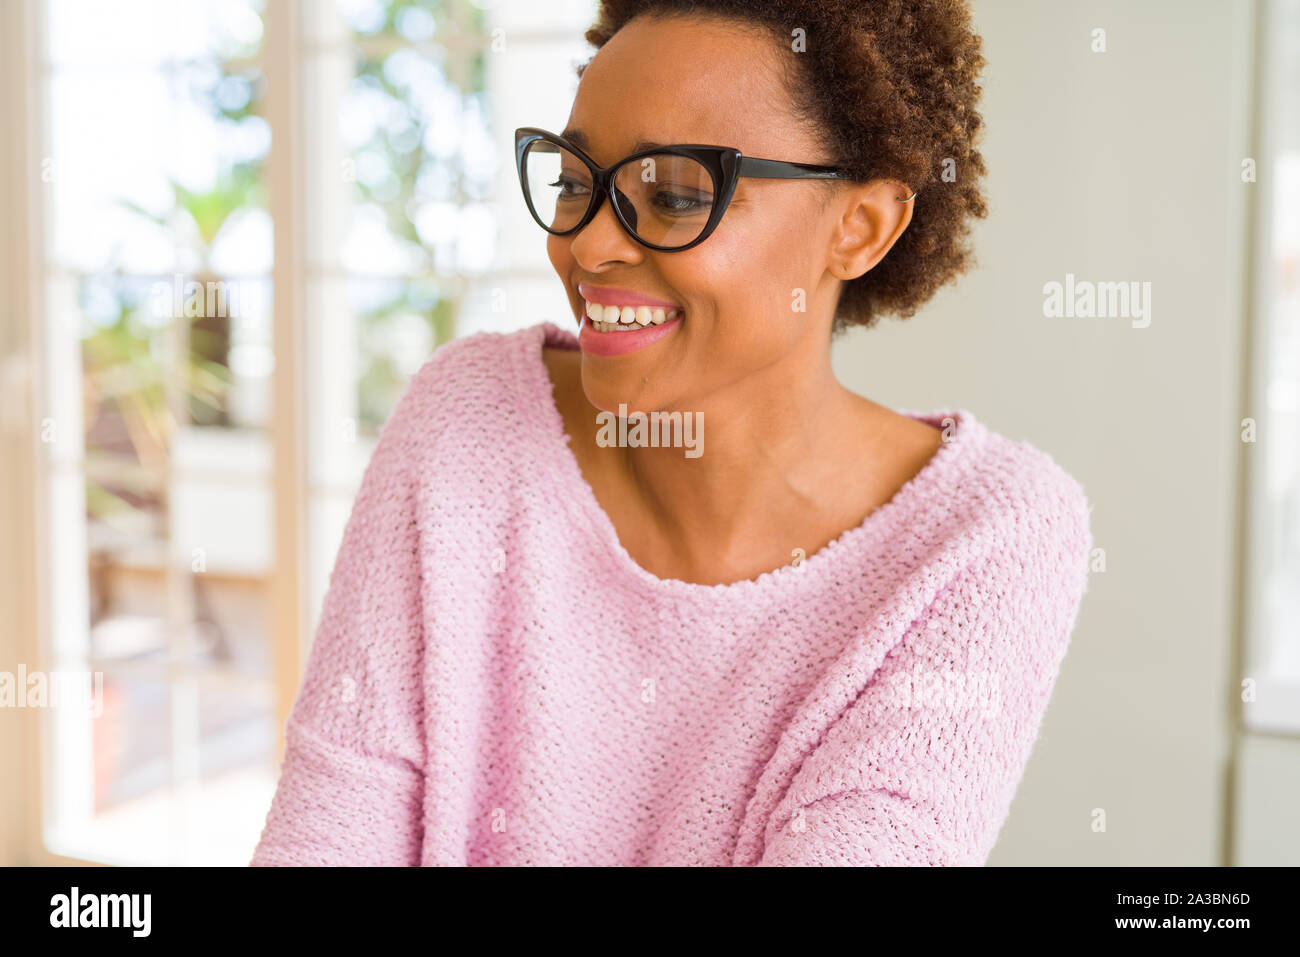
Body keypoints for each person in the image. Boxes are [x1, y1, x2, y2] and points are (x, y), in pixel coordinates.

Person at [252, 0, 1092, 866]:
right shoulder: (469, 425)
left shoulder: (986, 538)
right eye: (577, 183)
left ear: (860, 227)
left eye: (677, 192)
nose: (589, 247)